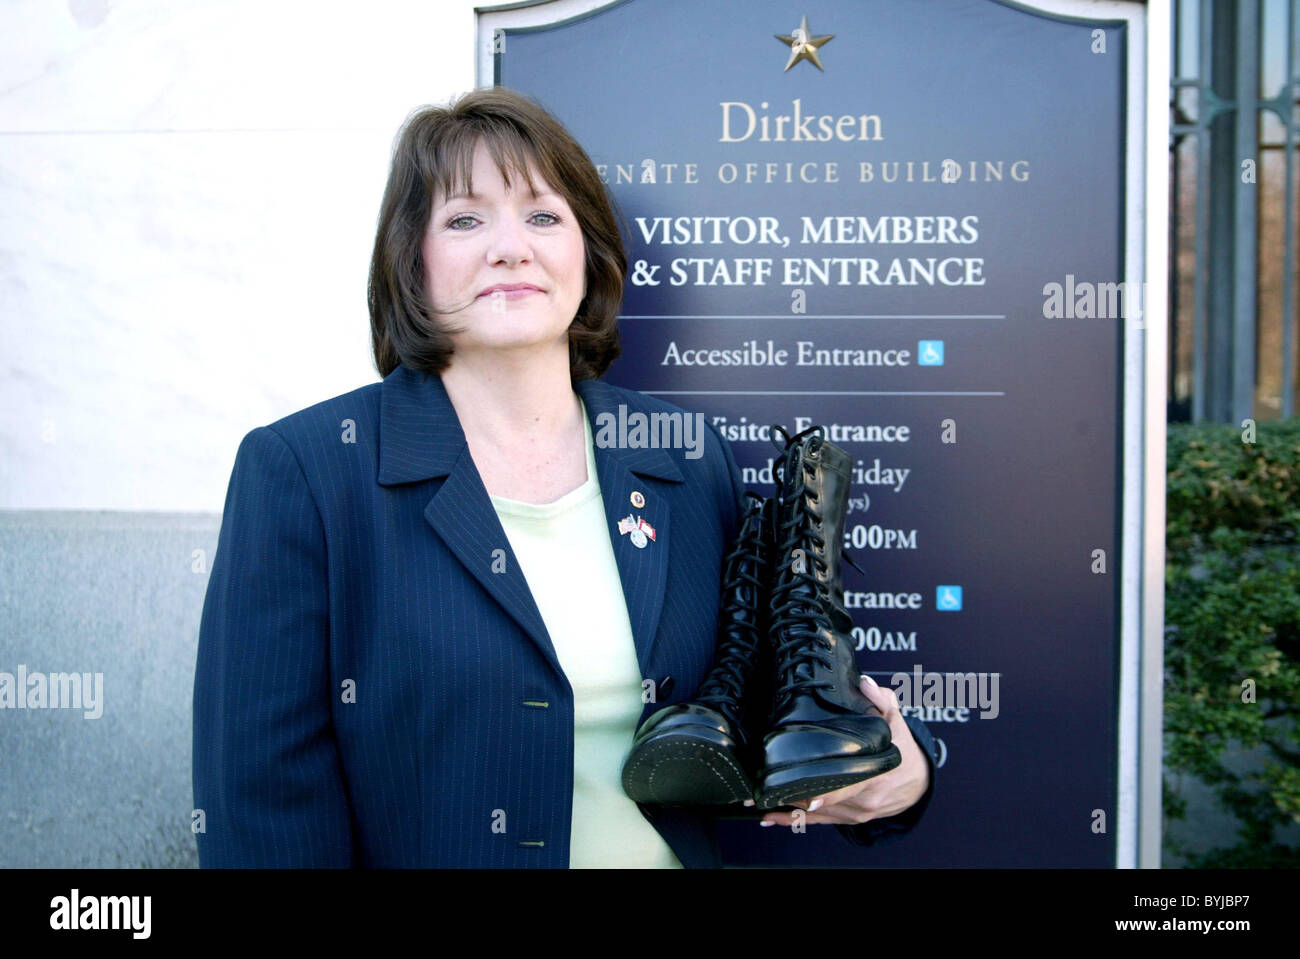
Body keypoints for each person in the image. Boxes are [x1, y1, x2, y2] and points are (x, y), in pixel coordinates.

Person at [192, 87, 936, 868]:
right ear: (412, 258)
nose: (510, 248)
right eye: (466, 219)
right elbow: (260, 807)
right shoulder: (307, 473)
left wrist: (903, 771)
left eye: (543, 216)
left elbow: (768, 714)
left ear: (588, 253)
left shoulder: (684, 458)